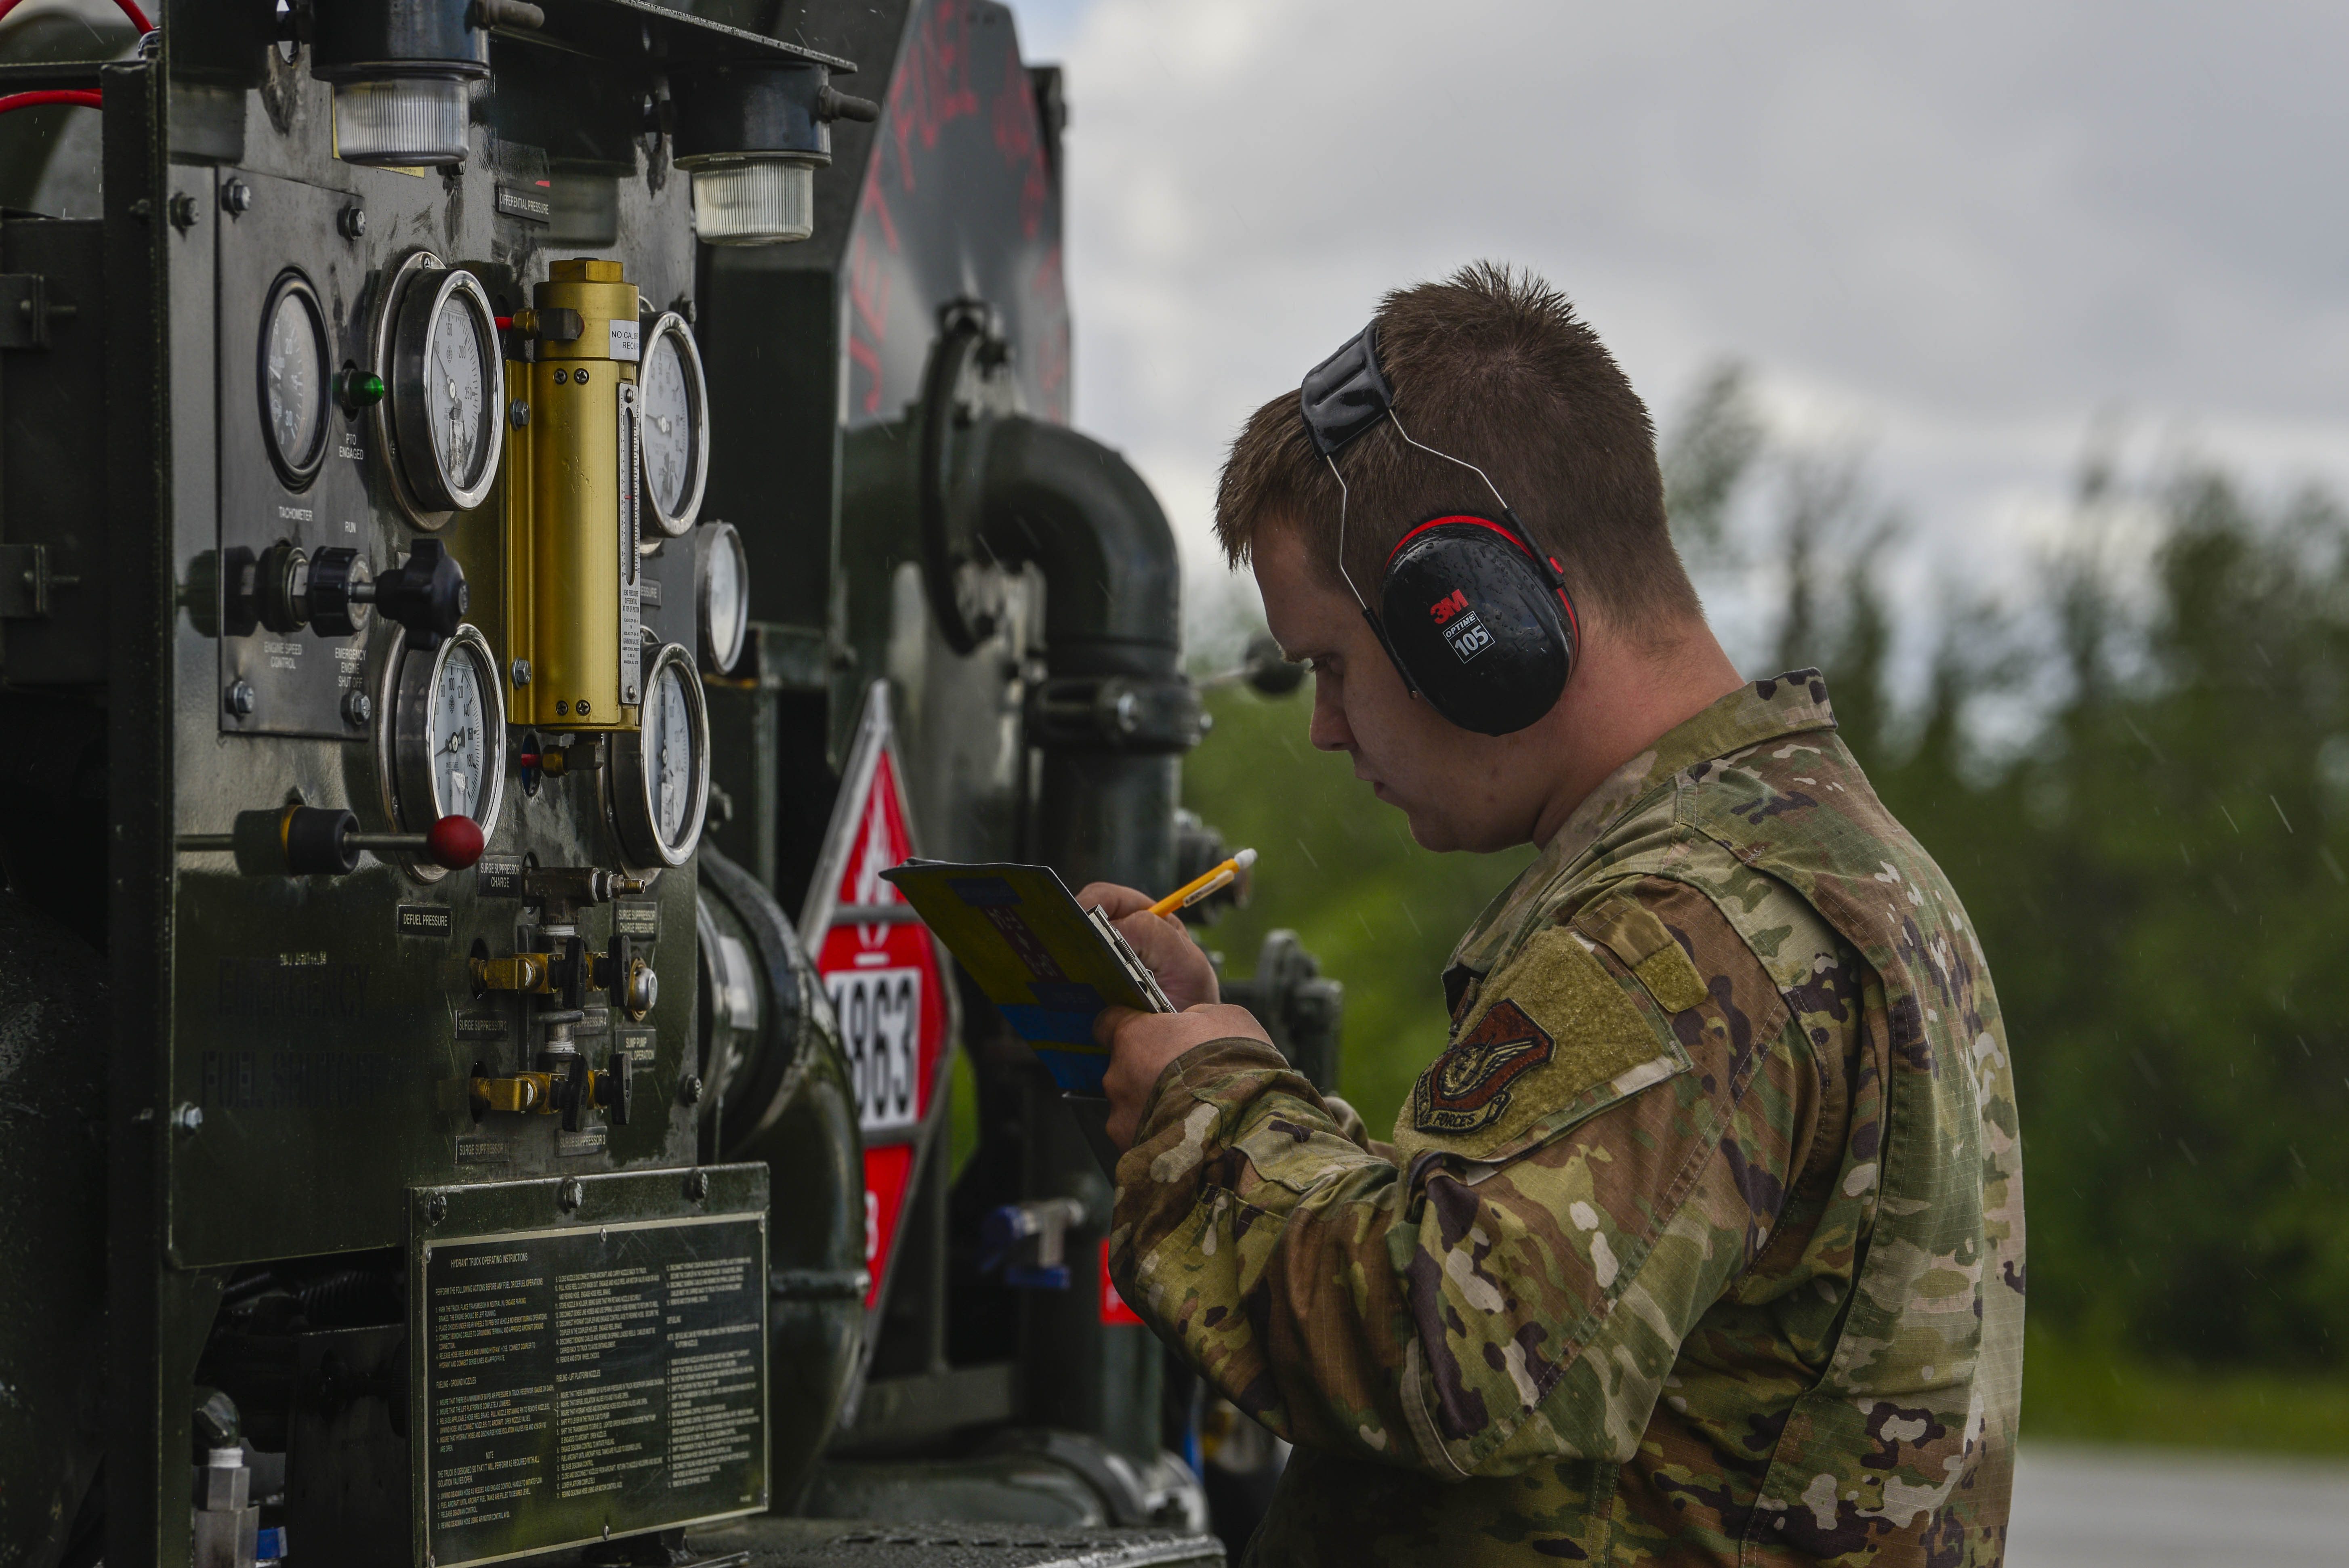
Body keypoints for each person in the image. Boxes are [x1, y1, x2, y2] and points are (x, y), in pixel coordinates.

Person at [1081, 263, 2024, 1566]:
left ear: (1477, 613)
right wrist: (1211, 1057)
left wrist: (1216, 1112)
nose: (1326, 727)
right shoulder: (1814, 860)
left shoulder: (1687, 927)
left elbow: (1463, 1351)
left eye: (1335, 664)